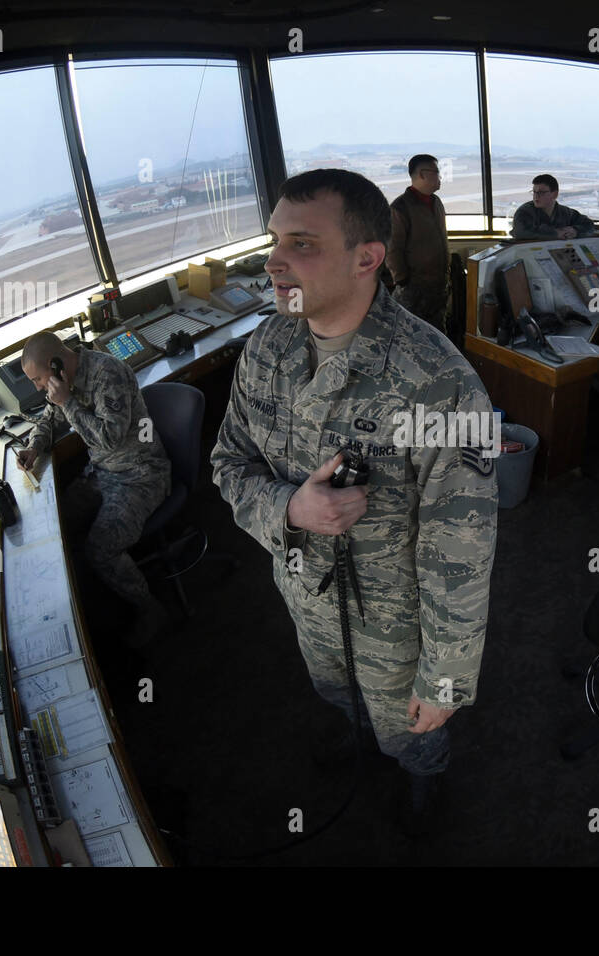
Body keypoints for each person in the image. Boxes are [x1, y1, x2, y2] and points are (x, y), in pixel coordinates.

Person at [210, 168, 498, 834]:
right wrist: (289, 507)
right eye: (274, 239)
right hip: (305, 594)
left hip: (396, 624)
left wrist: (445, 681)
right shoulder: (267, 347)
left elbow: (462, 548)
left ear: (368, 258)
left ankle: (422, 772)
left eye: (302, 243)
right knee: (336, 693)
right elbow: (229, 463)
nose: (274, 261)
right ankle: (360, 730)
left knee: (410, 727)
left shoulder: (440, 385)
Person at [16, 332, 172, 644]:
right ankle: (86, 604)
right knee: (58, 522)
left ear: (55, 363)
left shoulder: (106, 374)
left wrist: (68, 402)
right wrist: (34, 446)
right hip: (103, 472)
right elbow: (49, 417)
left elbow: (109, 439)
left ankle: (151, 609)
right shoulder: (63, 380)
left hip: (140, 476)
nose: (36, 386)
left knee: (99, 549)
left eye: (36, 378)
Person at [387, 154, 451, 333]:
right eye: (437, 172)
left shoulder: (436, 203)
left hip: (438, 286)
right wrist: (403, 279)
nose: (440, 177)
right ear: (422, 174)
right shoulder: (400, 207)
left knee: (437, 333)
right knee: (410, 333)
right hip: (414, 289)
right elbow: (393, 248)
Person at [510, 174, 595, 240]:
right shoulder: (524, 212)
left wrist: (575, 231)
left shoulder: (566, 213)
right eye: (534, 192)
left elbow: (589, 225)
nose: (536, 196)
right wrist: (555, 234)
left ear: (555, 194)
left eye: (541, 192)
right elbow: (520, 232)